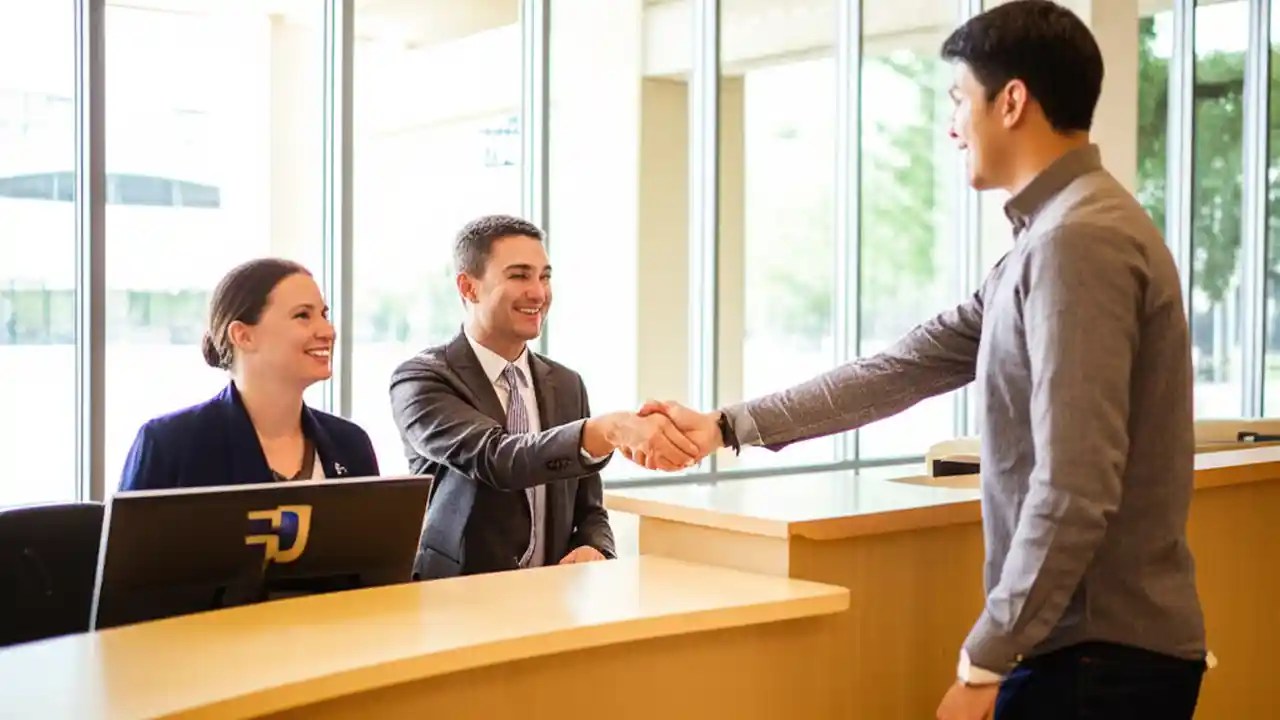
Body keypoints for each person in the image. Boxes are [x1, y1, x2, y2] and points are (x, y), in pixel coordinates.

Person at [636, 3, 1208, 719]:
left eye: (957, 100)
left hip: (1096, 661)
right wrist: (724, 425)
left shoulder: (1078, 242)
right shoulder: (1049, 241)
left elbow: (1074, 483)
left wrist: (984, 663)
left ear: (1012, 101)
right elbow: (902, 368)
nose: (950, 126)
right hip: (1089, 652)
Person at [390, 215, 697, 580]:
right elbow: (497, 458)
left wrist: (594, 545)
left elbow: (588, 506)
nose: (538, 292)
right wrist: (606, 430)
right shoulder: (422, 379)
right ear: (468, 287)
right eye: (519, 275)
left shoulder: (567, 384)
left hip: (552, 599)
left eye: (545, 276)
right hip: (456, 601)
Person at [119, 258, 379, 491]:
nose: (328, 331)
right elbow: (130, 544)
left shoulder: (350, 445)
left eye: (323, 315)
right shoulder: (169, 445)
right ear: (243, 335)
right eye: (303, 315)